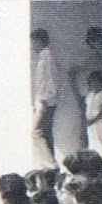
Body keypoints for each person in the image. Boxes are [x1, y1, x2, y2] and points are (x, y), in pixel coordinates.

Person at [31, 27, 62, 167]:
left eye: (33, 42)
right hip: (46, 101)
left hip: (45, 101)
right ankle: (50, 166)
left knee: (36, 132)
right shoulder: (44, 57)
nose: (32, 46)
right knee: (46, 133)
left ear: (39, 41)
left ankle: (50, 163)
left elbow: (51, 81)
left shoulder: (46, 58)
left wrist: (44, 101)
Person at [82, 71, 102, 163]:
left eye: (95, 81)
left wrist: (93, 120)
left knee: (100, 142)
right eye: (92, 81)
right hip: (89, 123)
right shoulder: (90, 94)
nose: (94, 83)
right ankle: (94, 162)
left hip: (99, 122)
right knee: (92, 142)